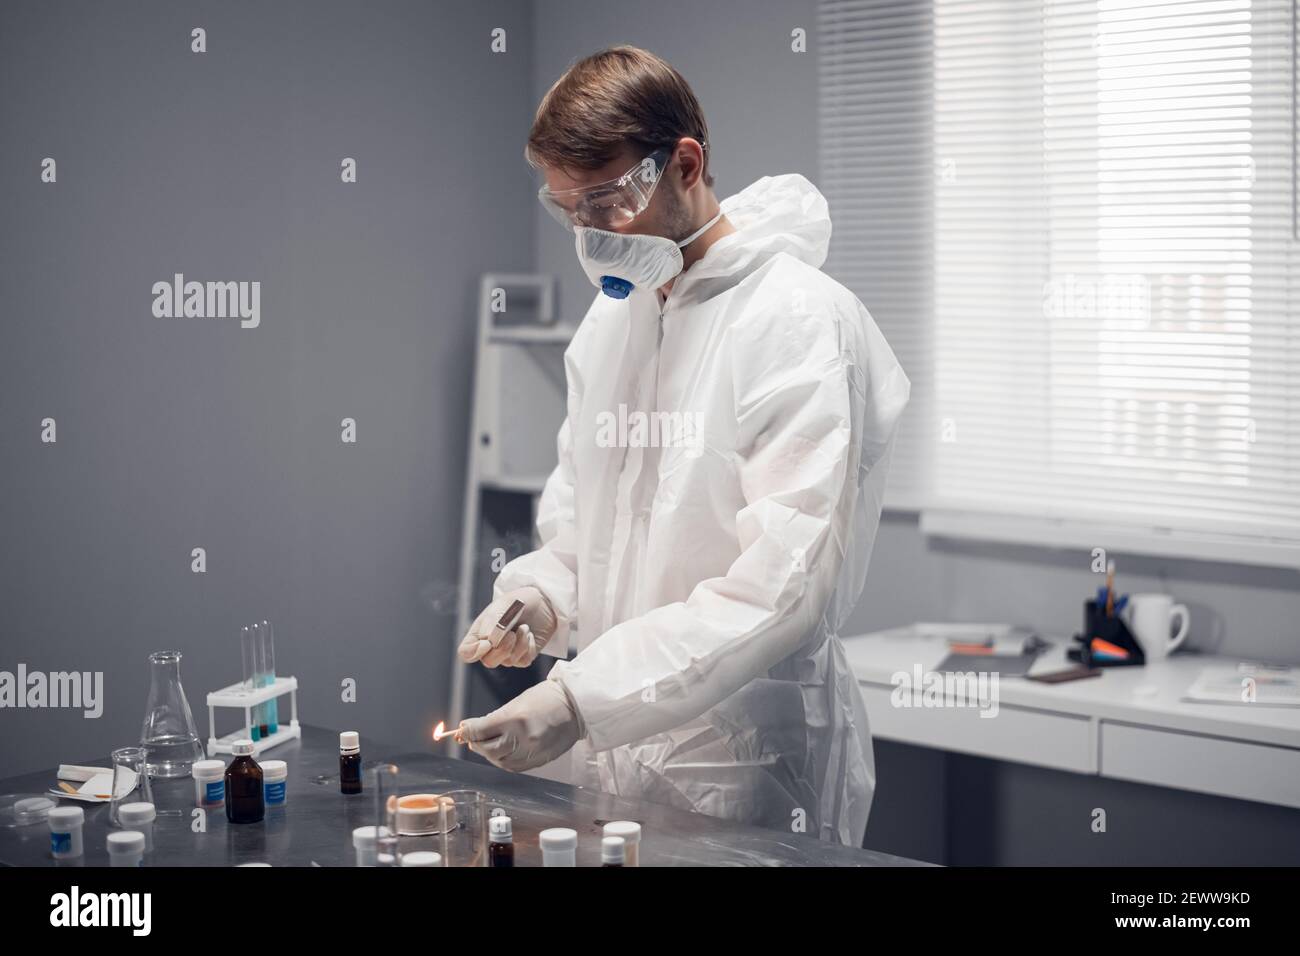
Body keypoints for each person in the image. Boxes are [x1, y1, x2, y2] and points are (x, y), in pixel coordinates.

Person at [456, 46, 909, 847]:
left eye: (605, 203)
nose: (588, 236)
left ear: (685, 163)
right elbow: (581, 527)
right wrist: (536, 596)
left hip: (746, 765)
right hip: (613, 755)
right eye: (568, 212)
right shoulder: (611, 325)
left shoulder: (797, 322)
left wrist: (575, 700)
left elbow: (780, 589)